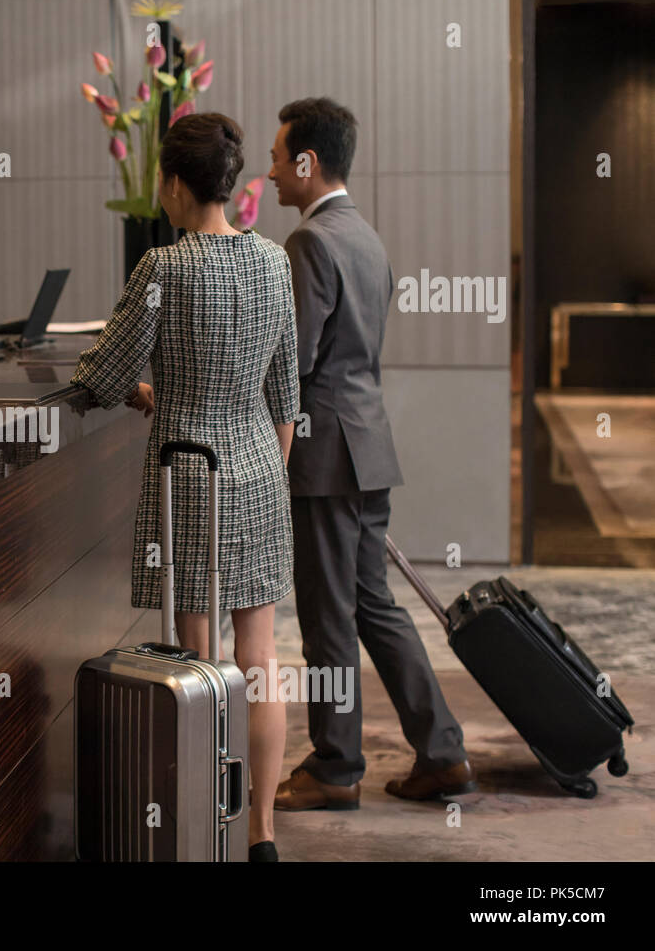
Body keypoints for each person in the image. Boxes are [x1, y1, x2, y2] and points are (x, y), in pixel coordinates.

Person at [72, 113, 300, 862]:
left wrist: (143, 391)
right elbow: (285, 394)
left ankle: (206, 830)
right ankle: (261, 831)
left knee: (198, 661)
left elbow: (102, 375)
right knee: (259, 658)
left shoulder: (163, 267)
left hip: (189, 470)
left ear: (173, 182)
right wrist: (265, 465)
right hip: (261, 464)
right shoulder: (272, 261)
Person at [266, 97, 474, 810]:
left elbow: (295, 363)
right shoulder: (366, 237)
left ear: (307, 162)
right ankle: (442, 751)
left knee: (328, 614)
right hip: (369, 446)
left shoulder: (310, 242)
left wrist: (271, 448)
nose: (267, 173)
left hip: (323, 457)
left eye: (275, 157)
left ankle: (334, 768)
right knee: (372, 605)